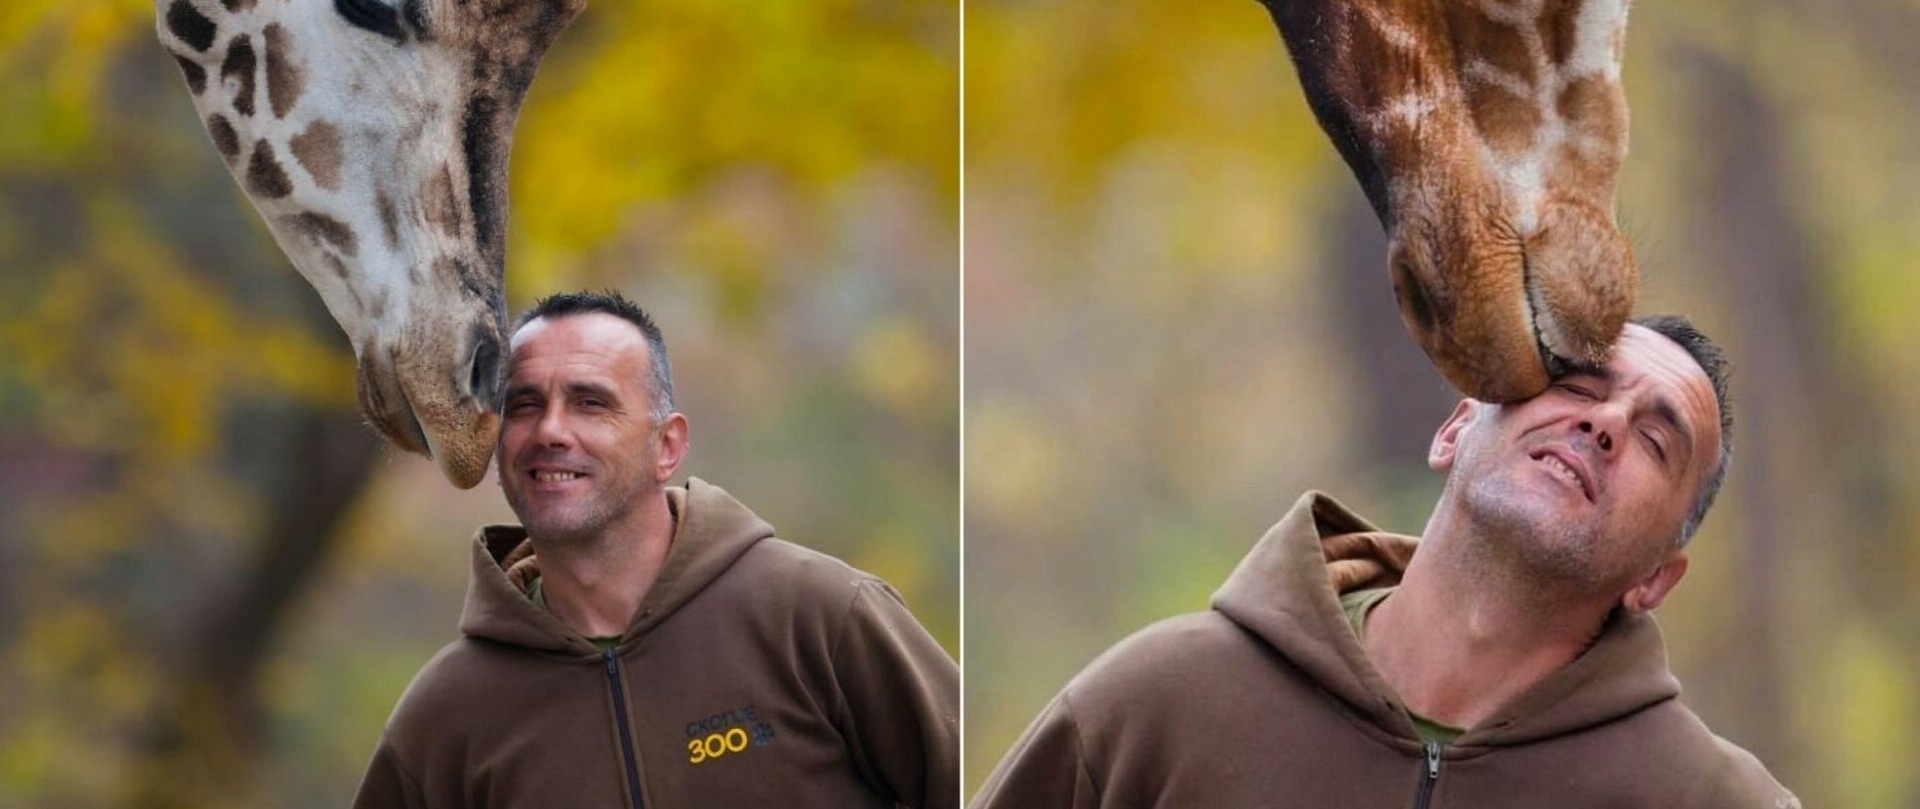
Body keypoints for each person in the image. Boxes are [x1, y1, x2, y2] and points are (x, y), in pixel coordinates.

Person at [973, 315, 1798, 807]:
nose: (1603, 423)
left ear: (1656, 578)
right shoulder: (1162, 703)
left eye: (1655, 440)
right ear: (1453, 430)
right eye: (1576, 385)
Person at [354, 291, 958, 809]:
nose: (551, 431)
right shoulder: (445, 716)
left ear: (667, 446)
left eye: (591, 403)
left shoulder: (819, 616)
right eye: (525, 405)